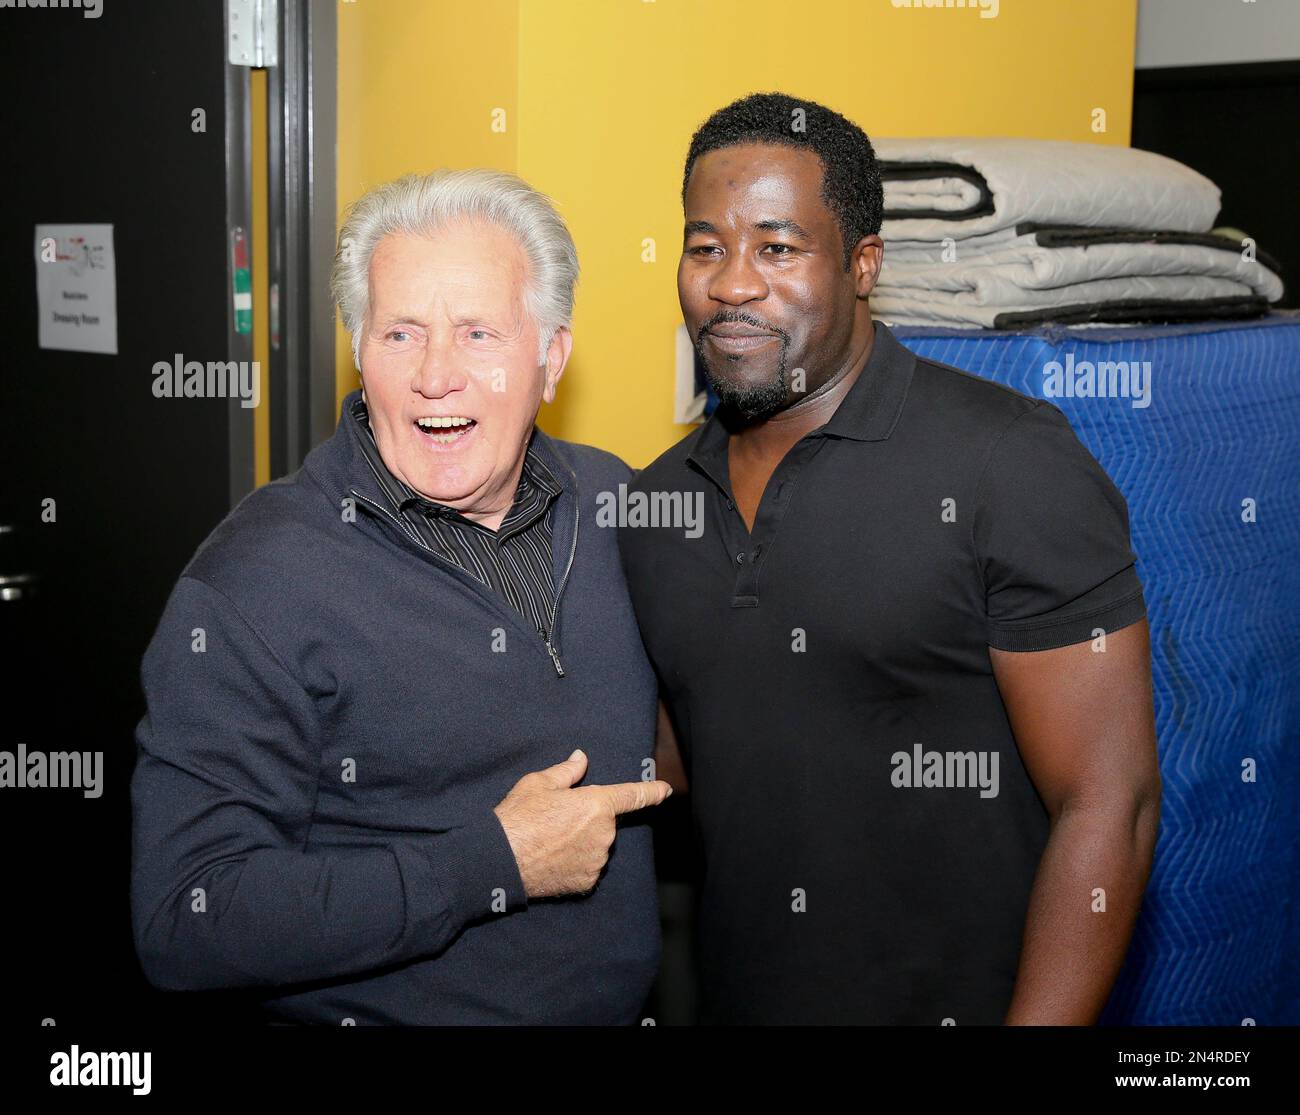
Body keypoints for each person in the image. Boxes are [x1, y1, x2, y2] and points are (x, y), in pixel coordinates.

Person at [618, 93, 1162, 1024]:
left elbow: (1112, 803)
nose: (732, 284)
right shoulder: (655, 504)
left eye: (777, 248)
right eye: (705, 247)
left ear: (862, 264)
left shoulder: (1009, 461)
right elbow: (684, 766)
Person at [130, 169, 672, 1025]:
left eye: (479, 333)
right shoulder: (253, 582)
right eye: (401, 334)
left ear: (552, 356)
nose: (435, 375)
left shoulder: (624, 508)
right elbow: (186, 918)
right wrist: (491, 862)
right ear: (359, 353)